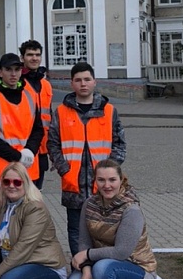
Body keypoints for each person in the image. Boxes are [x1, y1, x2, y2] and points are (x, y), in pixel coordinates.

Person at [66, 159, 157, 279]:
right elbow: (83, 240)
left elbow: (121, 252)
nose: (106, 185)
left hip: (137, 269)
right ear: (95, 181)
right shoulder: (89, 204)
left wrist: (88, 256)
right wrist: (85, 269)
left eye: (112, 180)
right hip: (102, 264)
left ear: (121, 180)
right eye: (101, 180)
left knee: (104, 269)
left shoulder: (131, 210)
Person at [48, 62, 126, 256]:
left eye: (87, 79)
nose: (83, 84)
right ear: (71, 84)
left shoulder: (109, 111)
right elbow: (52, 144)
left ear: (94, 82)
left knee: (104, 231)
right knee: (75, 231)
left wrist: (110, 171)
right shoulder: (61, 112)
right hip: (73, 185)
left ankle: (101, 266)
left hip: (102, 187)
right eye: (78, 80)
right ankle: (79, 266)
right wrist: (63, 168)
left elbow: (120, 143)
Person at [0, 53, 43, 233]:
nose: (13, 74)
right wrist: (18, 156)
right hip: (2, 170)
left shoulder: (30, 96)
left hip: (29, 167)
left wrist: (29, 150)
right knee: (4, 222)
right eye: (8, 70)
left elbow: (38, 129)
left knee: (29, 220)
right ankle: (2, 259)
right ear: (0, 72)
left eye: (17, 70)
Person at [20, 40, 53, 190]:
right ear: (22, 58)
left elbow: (49, 118)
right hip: (24, 147)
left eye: (37, 55)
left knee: (36, 194)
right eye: (30, 55)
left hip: (42, 149)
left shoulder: (45, 84)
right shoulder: (18, 82)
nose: (34, 58)